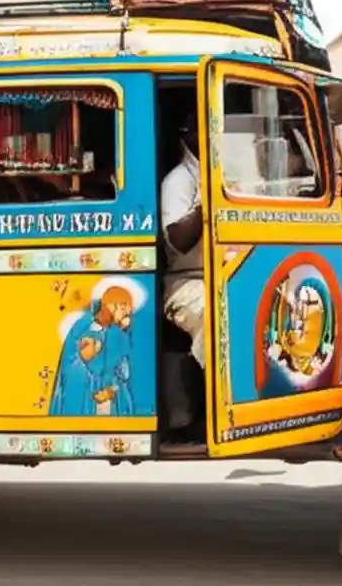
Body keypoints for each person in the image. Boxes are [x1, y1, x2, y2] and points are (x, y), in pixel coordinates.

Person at [160, 108, 206, 441]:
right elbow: (179, 240)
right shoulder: (179, 180)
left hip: (218, 278)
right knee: (216, 316)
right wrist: (206, 202)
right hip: (185, 283)